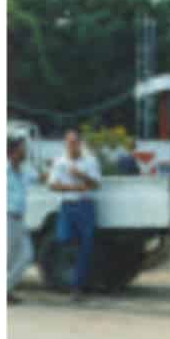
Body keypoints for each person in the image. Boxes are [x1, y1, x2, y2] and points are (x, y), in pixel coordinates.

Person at [47, 129, 102, 300]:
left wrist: (81, 175)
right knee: (64, 239)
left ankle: (77, 287)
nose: (71, 146)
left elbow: (96, 184)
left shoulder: (90, 160)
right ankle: (70, 273)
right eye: (68, 142)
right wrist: (72, 187)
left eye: (74, 142)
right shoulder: (60, 161)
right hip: (67, 205)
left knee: (85, 246)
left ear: (80, 143)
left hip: (84, 205)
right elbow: (52, 185)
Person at [7, 135, 33, 304]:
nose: (25, 151)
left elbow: (46, 178)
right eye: (22, 148)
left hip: (19, 219)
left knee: (26, 255)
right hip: (6, 218)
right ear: (12, 152)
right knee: (6, 258)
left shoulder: (25, 172)